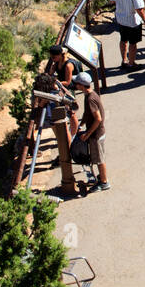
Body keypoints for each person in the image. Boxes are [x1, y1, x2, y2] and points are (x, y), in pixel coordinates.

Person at [45, 45, 79, 196]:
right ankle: (70, 136)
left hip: (67, 91)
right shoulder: (56, 62)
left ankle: (73, 135)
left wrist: (55, 82)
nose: (52, 60)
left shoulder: (68, 65)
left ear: (59, 55)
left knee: (71, 114)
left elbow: (68, 81)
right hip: (59, 89)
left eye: (54, 57)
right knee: (67, 115)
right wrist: (52, 69)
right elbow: (50, 73)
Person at [72, 72, 108, 191]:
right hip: (96, 132)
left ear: (81, 85)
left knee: (99, 159)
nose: (75, 85)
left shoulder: (90, 99)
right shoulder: (91, 94)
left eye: (77, 83)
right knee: (98, 158)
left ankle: (104, 182)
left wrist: (88, 134)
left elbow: (98, 118)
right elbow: (87, 114)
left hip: (96, 134)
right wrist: (81, 125)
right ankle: (102, 177)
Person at [108, 0, 145, 70]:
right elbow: (139, 8)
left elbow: (112, 1)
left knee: (123, 40)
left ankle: (124, 60)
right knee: (133, 43)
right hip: (133, 20)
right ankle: (131, 63)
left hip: (121, 18)